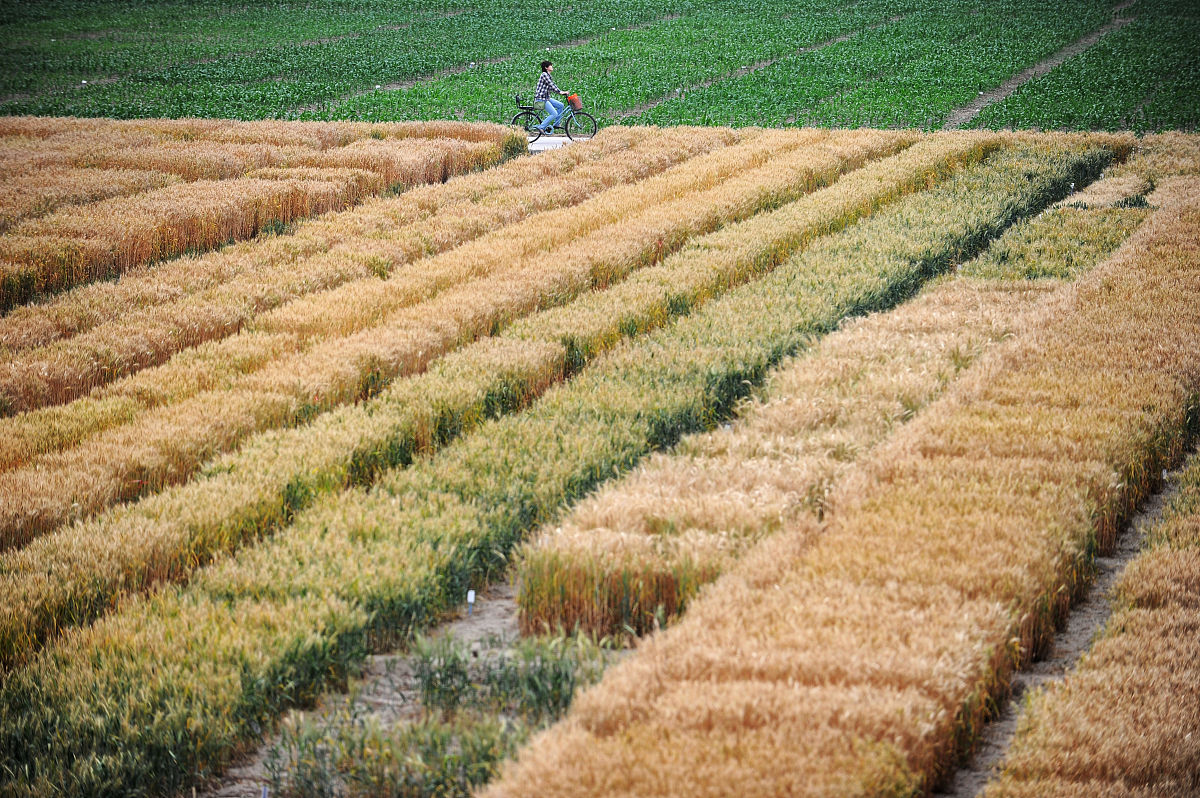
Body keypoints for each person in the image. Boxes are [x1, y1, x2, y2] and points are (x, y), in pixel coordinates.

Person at [533, 60, 569, 133]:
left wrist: (560, 92)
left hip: (546, 98)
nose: (552, 67)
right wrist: (560, 92)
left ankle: (556, 124)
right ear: (546, 67)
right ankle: (541, 127)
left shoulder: (548, 75)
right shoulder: (544, 74)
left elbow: (551, 88)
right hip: (541, 99)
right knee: (554, 113)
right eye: (551, 65)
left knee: (560, 105)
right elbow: (551, 85)